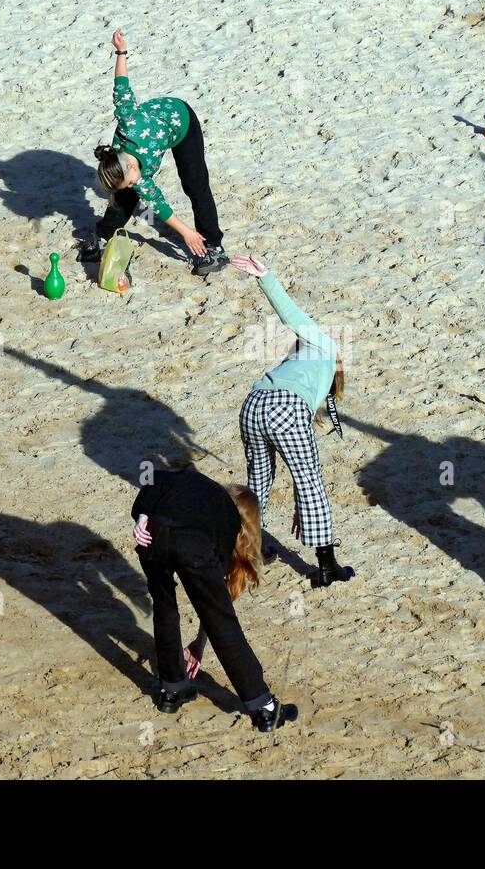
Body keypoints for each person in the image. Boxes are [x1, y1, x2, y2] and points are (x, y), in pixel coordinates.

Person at [132, 467, 299, 732]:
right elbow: (214, 610)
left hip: (151, 535)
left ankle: (171, 691)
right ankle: (264, 707)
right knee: (223, 623)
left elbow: (153, 476)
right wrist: (200, 644)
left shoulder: (192, 481)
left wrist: (141, 517)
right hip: (189, 544)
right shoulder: (226, 522)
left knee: (164, 608)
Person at [231, 254, 352, 589]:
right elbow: (292, 315)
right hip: (285, 405)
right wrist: (266, 277)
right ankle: (327, 568)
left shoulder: (298, 362)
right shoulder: (324, 347)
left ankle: (250, 551)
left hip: (253, 403)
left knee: (257, 481)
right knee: (310, 482)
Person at [90, 29, 228, 277]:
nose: (135, 183)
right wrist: (185, 231)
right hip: (157, 128)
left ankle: (214, 244)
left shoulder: (128, 120)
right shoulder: (127, 169)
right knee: (125, 195)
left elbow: (121, 84)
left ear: (131, 167)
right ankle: (102, 235)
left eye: (132, 179)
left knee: (195, 184)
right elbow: (159, 206)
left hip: (182, 122)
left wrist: (122, 51)